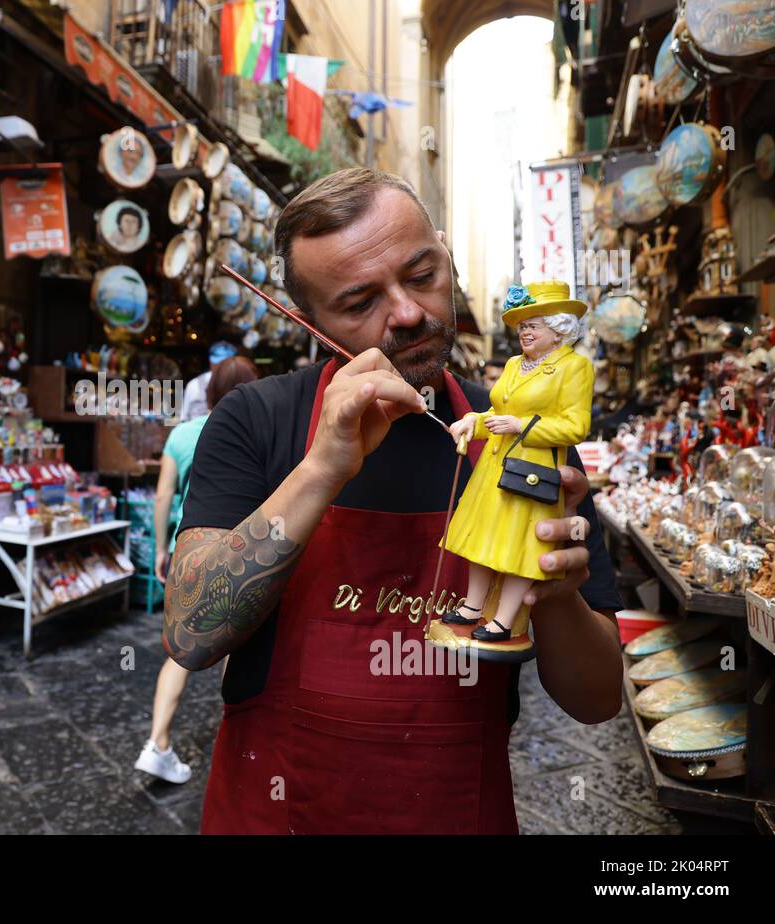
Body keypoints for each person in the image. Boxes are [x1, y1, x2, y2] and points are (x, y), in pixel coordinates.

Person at [164, 167, 624, 834]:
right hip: (278, 810)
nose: (408, 312)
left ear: (446, 254)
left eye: (421, 273)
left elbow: (597, 699)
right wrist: (321, 470)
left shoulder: (523, 440)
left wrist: (552, 595)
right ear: (308, 321)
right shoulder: (256, 421)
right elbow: (190, 633)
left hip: (455, 810)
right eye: (360, 303)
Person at [442, 286, 594, 643]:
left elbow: (576, 427)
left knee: (518, 545)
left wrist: (522, 427)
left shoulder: (574, 367)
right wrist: (473, 422)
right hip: (493, 467)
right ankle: (472, 606)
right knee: (480, 539)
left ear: (559, 329)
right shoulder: (513, 364)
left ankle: (505, 620)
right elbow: (499, 412)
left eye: (534, 325)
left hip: (532, 472)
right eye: (522, 325)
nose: (525, 332)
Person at [136, 356, 260, 784]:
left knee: (181, 649)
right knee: (235, 648)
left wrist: (159, 550)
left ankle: (158, 742)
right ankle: (234, 740)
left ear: (208, 392)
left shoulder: (183, 434)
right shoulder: (258, 429)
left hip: (188, 549)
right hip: (244, 552)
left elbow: (162, 497)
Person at [178, 341, 235, 422]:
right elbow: (183, 418)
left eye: (224, 364)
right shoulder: (194, 385)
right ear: (211, 361)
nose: (221, 368)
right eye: (218, 363)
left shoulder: (239, 383)